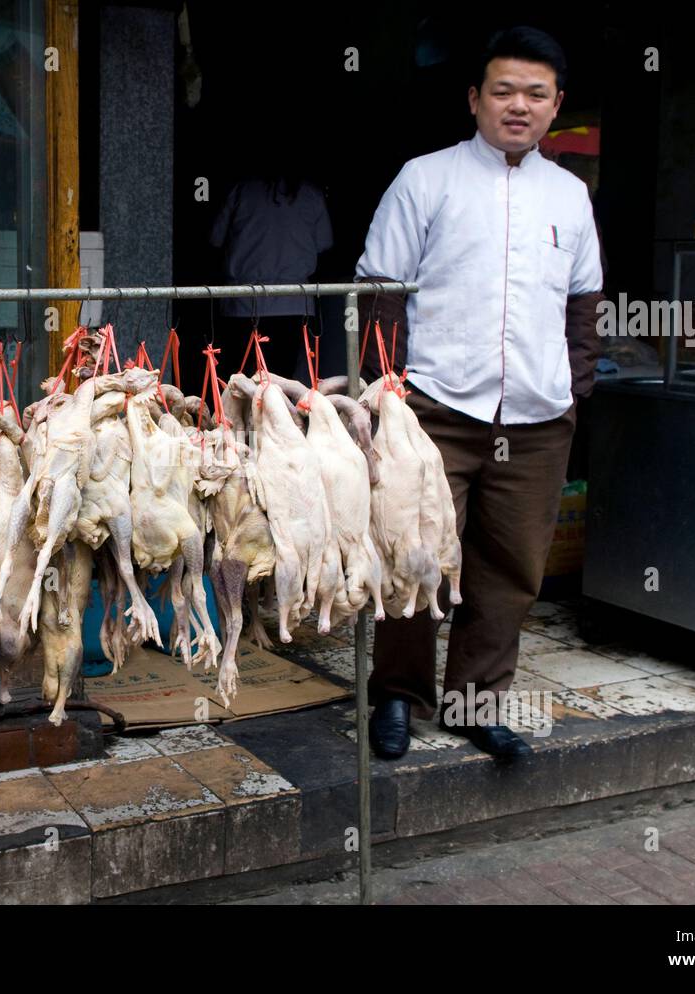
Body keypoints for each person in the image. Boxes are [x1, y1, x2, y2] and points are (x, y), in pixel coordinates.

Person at [355, 26, 605, 762]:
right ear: (474, 99)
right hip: (434, 407)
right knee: (415, 558)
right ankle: (398, 697)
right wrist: (385, 395)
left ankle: (473, 703)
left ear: (557, 105)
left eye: (536, 93)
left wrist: (575, 388)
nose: (518, 105)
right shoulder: (425, 178)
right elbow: (379, 292)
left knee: (510, 569)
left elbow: (585, 302)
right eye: (503, 91)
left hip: (536, 418)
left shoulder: (571, 195)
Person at [209, 143, 333, 379]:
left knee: (238, 382)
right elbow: (324, 245)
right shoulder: (311, 195)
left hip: (241, 303)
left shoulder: (240, 191)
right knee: (282, 383)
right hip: (293, 303)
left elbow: (215, 240)